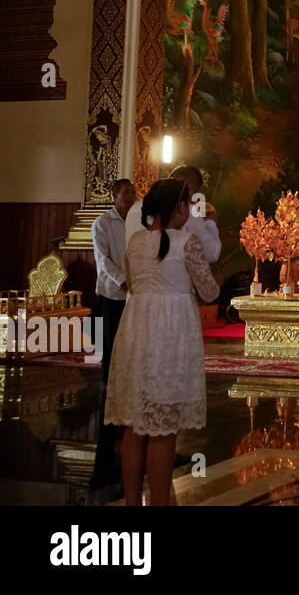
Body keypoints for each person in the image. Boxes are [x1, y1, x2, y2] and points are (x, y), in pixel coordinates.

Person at [104, 179, 220, 505]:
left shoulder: (136, 242)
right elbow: (209, 292)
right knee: (163, 428)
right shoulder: (186, 242)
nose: (188, 210)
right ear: (178, 207)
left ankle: (130, 502)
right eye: (186, 204)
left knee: (135, 426)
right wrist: (219, 278)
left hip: (136, 331)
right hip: (171, 336)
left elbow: (133, 282)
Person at [125, 165, 221, 263]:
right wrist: (211, 223)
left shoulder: (134, 208)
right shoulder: (186, 211)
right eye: (195, 193)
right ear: (190, 188)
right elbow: (212, 253)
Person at [91, 178, 136, 378]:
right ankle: (108, 382)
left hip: (134, 289)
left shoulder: (137, 221)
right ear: (115, 196)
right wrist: (122, 280)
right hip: (112, 290)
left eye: (132, 192)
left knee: (131, 340)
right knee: (111, 341)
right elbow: (102, 258)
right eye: (125, 192)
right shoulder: (103, 222)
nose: (130, 197)